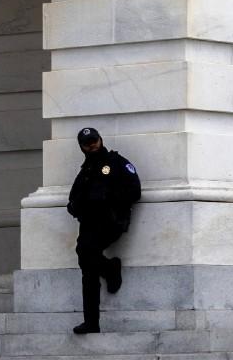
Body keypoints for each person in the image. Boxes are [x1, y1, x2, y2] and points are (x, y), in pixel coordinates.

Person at [65, 126, 140, 334]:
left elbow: (135, 190)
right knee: (87, 265)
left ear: (100, 139)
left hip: (110, 222)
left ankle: (110, 269)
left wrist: (110, 200)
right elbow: (73, 199)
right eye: (87, 143)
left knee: (85, 254)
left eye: (94, 141)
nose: (92, 145)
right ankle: (92, 322)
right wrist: (76, 207)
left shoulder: (116, 162)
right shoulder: (85, 171)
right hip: (89, 225)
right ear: (82, 147)